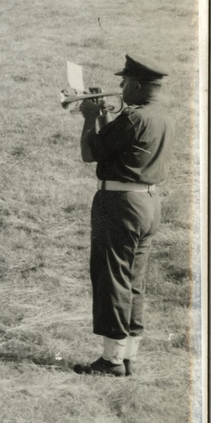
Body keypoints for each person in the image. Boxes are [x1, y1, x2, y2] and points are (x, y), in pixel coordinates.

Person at [72, 55, 171, 377]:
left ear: (138, 85)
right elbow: (112, 147)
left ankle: (110, 360)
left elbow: (90, 153)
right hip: (147, 204)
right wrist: (103, 120)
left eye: (124, 82)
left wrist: (89, 117)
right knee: (133, 280)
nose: (120, 87)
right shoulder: (160, 116)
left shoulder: (134, 118)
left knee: (111, 277)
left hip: (120, 204)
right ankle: (127, 354)